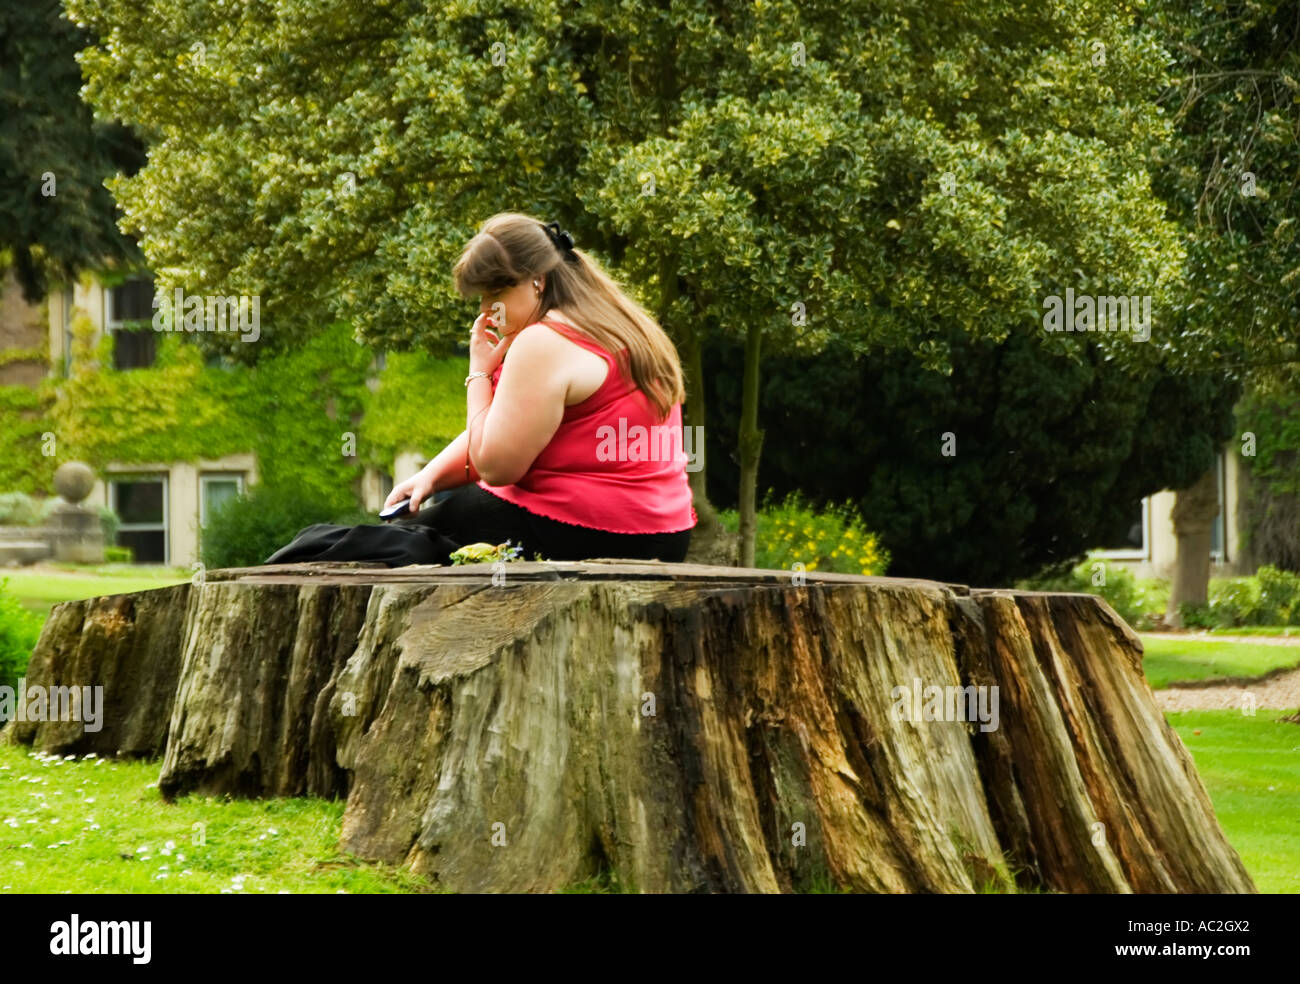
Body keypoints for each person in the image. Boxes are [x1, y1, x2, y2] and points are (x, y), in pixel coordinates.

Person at [263, 212, 696, 567]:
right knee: (405, 534)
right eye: (482, 296)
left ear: (537, 280)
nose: (489, 308)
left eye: (496, 291)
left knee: (342, 547)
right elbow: (511, 427)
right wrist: (430, 476)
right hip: (664, 534)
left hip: (582, 531)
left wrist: (479, 374)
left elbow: (496, 466)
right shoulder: (626, 325)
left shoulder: (542, 341)